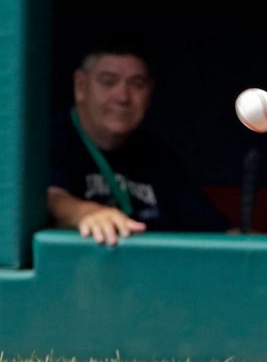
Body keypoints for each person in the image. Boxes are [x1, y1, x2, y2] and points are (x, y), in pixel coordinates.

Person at [48, 45, 230, 245]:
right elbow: (52, 199)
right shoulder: (51, 142)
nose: (123, 97)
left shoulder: (157, 156)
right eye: (108, 82)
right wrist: (87, 213)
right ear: (80, 86)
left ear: (150, 92)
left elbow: (215, 230)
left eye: (137, 84)